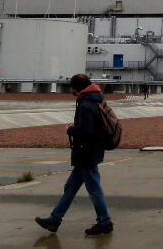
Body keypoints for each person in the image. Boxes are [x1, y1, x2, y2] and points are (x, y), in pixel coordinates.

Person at [35, 73, 114, 236]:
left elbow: (87, 131)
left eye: (71, 87)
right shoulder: (95, 99)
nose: (70, 89)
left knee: (94, 189)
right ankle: (54, 220)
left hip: (86, 153)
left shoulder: (85, 105)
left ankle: (105, 222)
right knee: (70, 188)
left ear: (76, 88)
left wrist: (70, 129)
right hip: (90, 152)